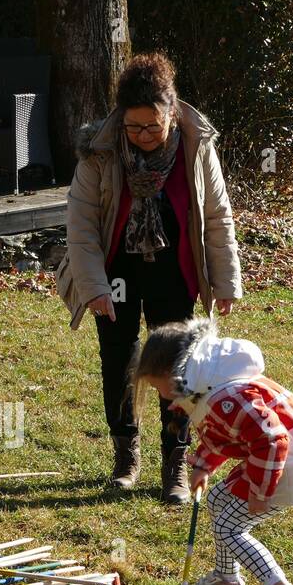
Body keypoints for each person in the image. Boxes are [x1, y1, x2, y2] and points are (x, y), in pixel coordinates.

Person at [57, 52, 243, 504]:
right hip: (114, 269)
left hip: (173, 269)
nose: (141, 136)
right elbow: (81, 227)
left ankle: (174, 463)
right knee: (118, 359)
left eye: (152, 127)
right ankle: (126, 458)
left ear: (172, 114)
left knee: (175, 364)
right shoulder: (99, 151)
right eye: (133, 127)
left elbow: (217, 218)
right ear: (120, 119)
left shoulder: (197, 148)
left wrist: (226, 282)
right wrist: (94, 287)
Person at [128, 316, 293, 585]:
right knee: (217, 501)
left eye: (154, 383)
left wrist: (259, 492)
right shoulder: (208, 385)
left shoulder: (228, 396)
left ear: (169, 372)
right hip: (274, 463)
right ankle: (227, 580)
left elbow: (272, 441)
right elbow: (223, 433)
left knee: (230, 527)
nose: (159, 393)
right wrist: (202, 466)